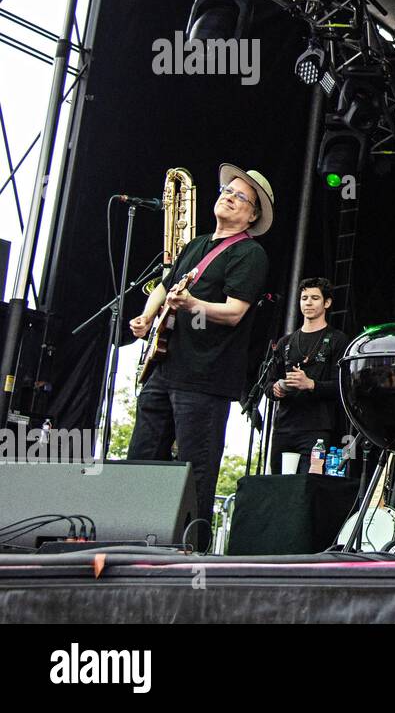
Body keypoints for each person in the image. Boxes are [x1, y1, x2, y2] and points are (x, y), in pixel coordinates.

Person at [128, 164, 273, 548]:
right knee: (141, 457)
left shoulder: (249, 253)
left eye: (240, 195)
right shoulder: (197, 244)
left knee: (195, 472)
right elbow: (166, 283)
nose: (228, 195)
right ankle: (132, 540)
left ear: (253, 215)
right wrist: (147, 315)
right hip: (165, 366)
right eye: (227, 189)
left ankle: (193, 553)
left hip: (205, 378)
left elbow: (235, 311)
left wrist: (192, 303)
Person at [268, 278, 350, 474]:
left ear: (327, 303)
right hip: (284, 427)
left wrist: (311, 384)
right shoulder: (285, 342)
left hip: (317, 428)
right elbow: (268, 382)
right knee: (278, 485)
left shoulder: (337, 340)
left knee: (310, 484)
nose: (308, 303)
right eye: (304, 298)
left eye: (314, 298)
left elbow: (343, 386)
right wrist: (275, 389)